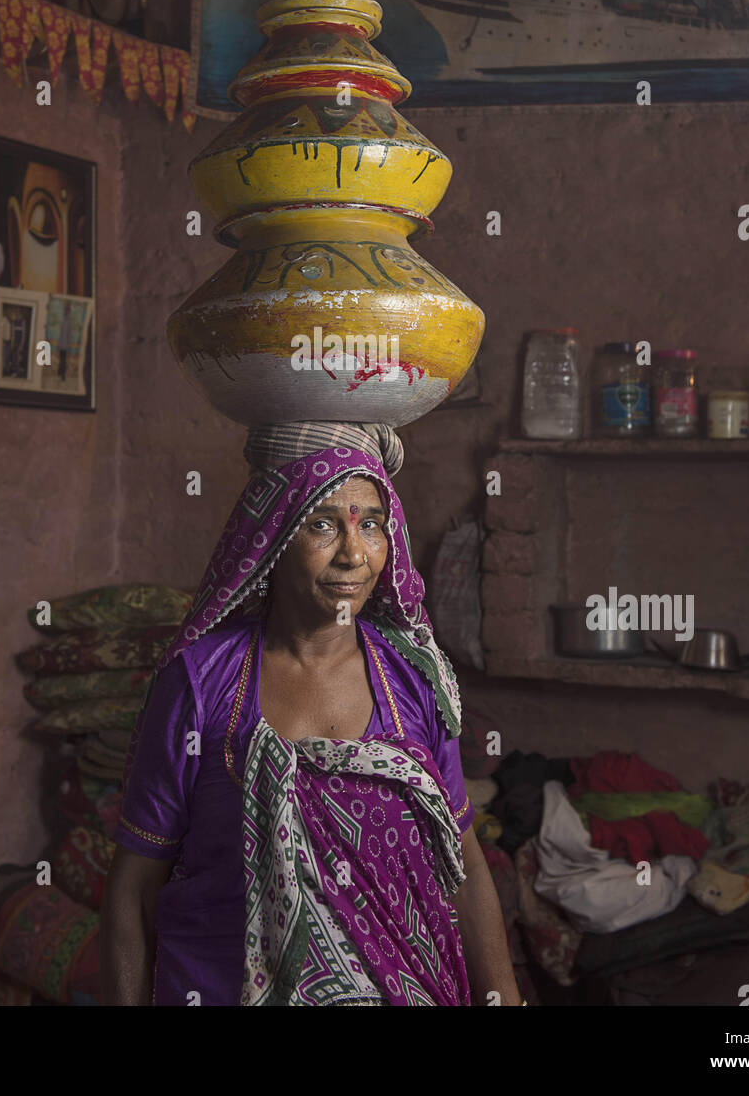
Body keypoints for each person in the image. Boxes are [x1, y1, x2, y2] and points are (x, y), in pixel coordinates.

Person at [101, 421, 522, 1007]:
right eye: (322, 524)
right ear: (271, 538)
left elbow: (466, 866)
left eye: (370, 524)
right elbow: (134, 890)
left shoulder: (415, 680)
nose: (353, 553)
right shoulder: (200, 683)